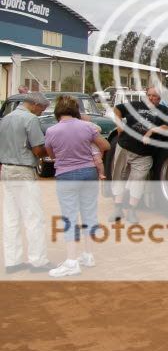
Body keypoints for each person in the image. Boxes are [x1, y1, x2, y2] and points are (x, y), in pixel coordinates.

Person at [45, 95, 110, 277]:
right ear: (76, 111)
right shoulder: (88, 127)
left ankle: (72, 261)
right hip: (89, 172)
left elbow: (52, 156)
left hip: (66, 175)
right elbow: (105, 145)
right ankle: (88, 255)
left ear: (58, 111)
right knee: (89, 213)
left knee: (70, 216)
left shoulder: (52, 130)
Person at [0, 92, 54, 274]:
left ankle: (13, 261)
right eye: (42, 109)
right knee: (34, 217)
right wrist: (53, 151)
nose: (41, 113)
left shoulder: (7, 118)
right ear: (35, 105)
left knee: (11, 217)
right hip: (24, 170)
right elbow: (38, 149)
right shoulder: (30, 119)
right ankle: (38, 261)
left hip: (7, 168)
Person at [110, 86, 168, 223]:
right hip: (125, 146)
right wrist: (119, 124)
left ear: (160, 98)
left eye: (155, 96)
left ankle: (132, 211)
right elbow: (117, 110)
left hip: (144, 153)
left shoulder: (163, 111)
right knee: (119, 176)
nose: (151, 98)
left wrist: (151, 131)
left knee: (137, 182)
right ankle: (117, 208)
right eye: (149, 95)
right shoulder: (135, 105)